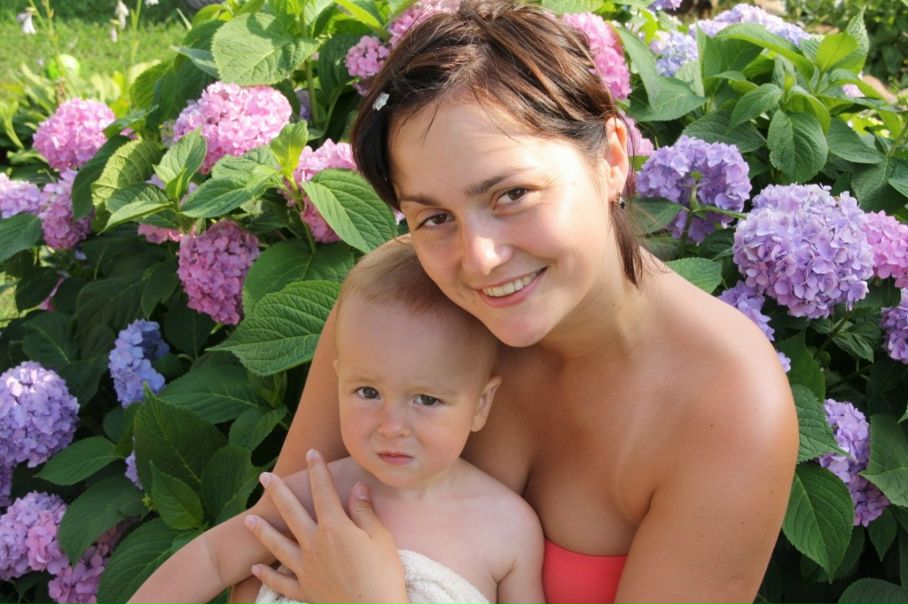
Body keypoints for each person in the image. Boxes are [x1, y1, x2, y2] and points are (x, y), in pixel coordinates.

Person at [233, 0, 800, 602]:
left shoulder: (728, 407)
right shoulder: (398, 308)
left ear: (611, 157)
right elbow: (262, 558)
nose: (479, 259)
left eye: (512, 195)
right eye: (434, 217)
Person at [128, 242, 545, 604]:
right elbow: (214, 558)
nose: (391, 426)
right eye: (368, 392)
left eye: (427, 399)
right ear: (339, 380)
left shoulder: (507, 528)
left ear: (480, 404)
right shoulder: (318, 494)